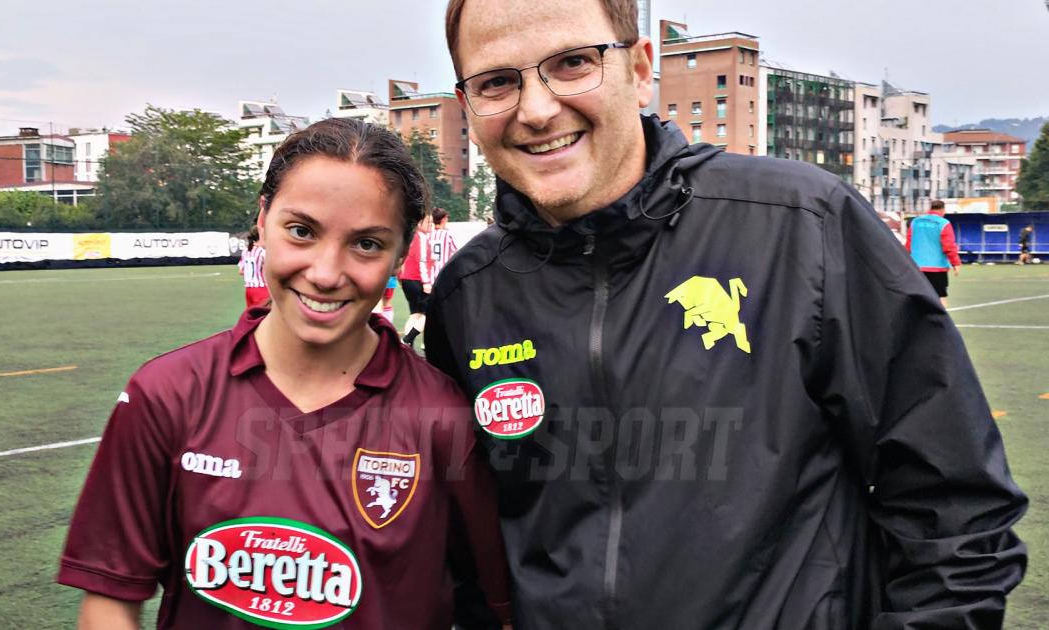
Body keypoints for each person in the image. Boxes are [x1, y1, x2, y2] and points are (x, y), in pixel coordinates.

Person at [425, 1, 1027, 628]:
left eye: (573, 63)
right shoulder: (469, 294)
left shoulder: (801, 226)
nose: (538, 108)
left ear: (639, 67)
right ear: (467, 106)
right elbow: (471, 548)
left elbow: (955, 508)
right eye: (498, 81)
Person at [59, 118, 510, 629]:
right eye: (302, 231)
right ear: (263, 217)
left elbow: (493, 602)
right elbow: (110, 599)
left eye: (366, 244)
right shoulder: (167, 394)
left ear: (400, 255)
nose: (324, 272)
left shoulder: (441, 416)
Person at [905, 199, 961, 307]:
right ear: (943, 210)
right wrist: (956, 263)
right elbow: (948, 246)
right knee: (940, 298)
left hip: (917, 267)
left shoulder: (915, 221)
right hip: (937, 267)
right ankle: (941, 323)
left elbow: (909, 243)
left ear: (930, 209)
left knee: (918, 298)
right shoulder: (944, 223)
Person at [398, 213, 433, 346]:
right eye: (427, 222)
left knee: (414, 314)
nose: (430, 225)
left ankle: (406, 347)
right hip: (416, 280)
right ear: (420, 224)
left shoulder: (411, 237)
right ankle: (407, 340)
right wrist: (426, 282)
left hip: (407, 279)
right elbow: (422, 261)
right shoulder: (421, 237)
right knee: (426, 313)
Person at [237, 226, 269, 308]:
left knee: (253, 316)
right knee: (265, 316)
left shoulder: (245, 251)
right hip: (261, 289)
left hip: (249, 290)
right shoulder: (262, 252)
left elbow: (241, 271)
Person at [429, 207, 459, 283]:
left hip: (429, 275)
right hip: (443, 273)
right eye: (447, 217)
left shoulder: (427, 234)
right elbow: (456, 252)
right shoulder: (448, 234)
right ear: (443, 219)